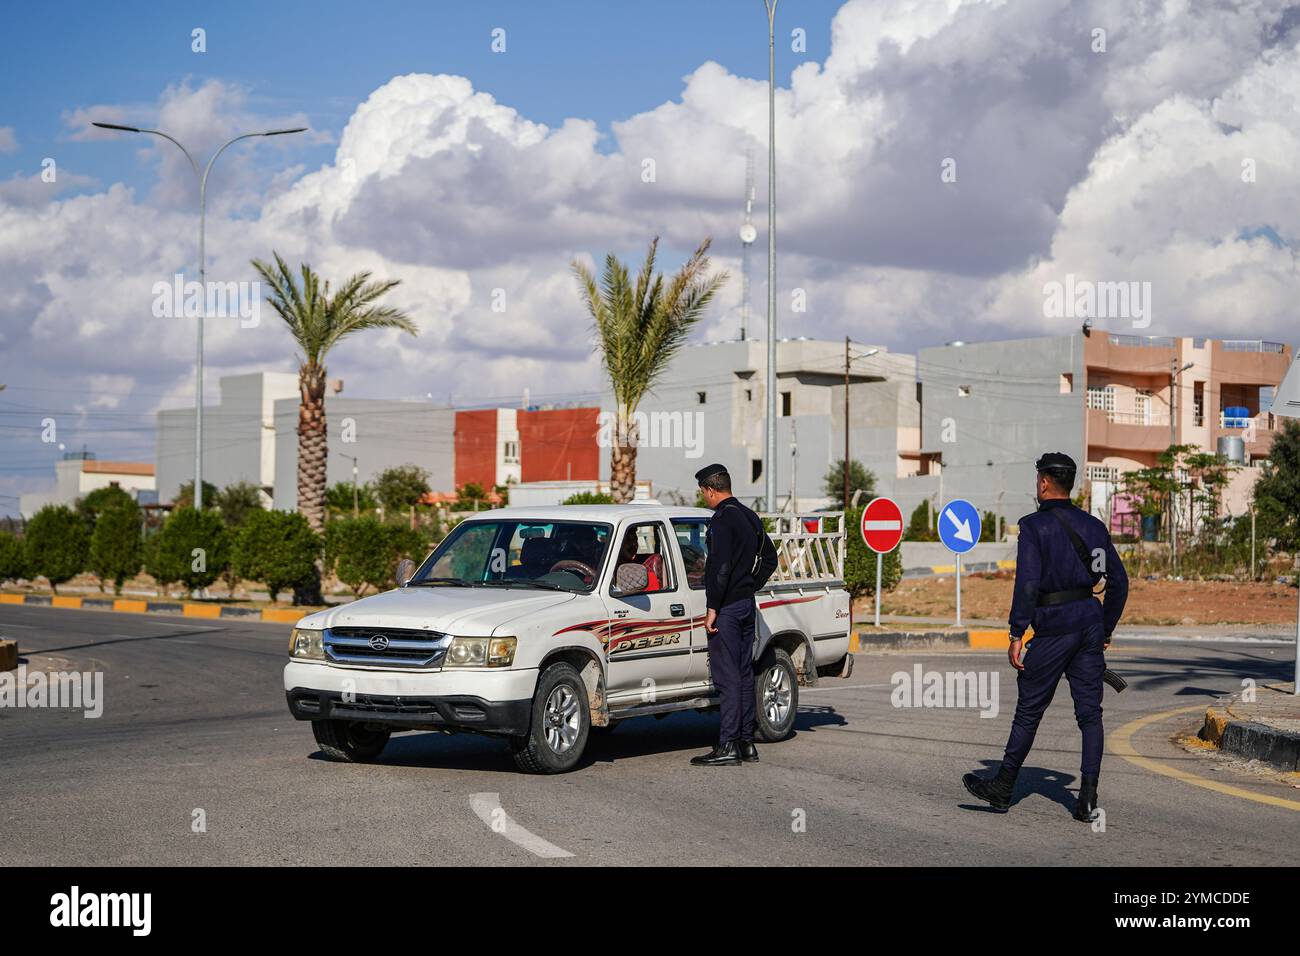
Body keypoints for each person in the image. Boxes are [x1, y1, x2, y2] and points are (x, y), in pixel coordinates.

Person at [962, 452, 1129, 820]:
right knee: (1090, 715)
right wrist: (1105, 628)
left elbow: (1028, 584)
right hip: (1088, 620)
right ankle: (1087, 798)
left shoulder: (1034, 527)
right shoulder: (1095, 527)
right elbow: (1117, 581)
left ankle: (1003, 787)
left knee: (1028, 712)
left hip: (1053, 625)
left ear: (1044, 482)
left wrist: (1017, 632)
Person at [689, 463, 778, 767]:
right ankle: (746, 743)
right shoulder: (749, 516)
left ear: (711, 489)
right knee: (743, 674)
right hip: (745, 605)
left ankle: (727, 745)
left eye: (703, 492)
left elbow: (719, 568)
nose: (704, 498)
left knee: (727, 678)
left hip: (726, 609)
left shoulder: (722, 520)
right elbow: (770, 558)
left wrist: (713, 607)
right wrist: (750, 585)